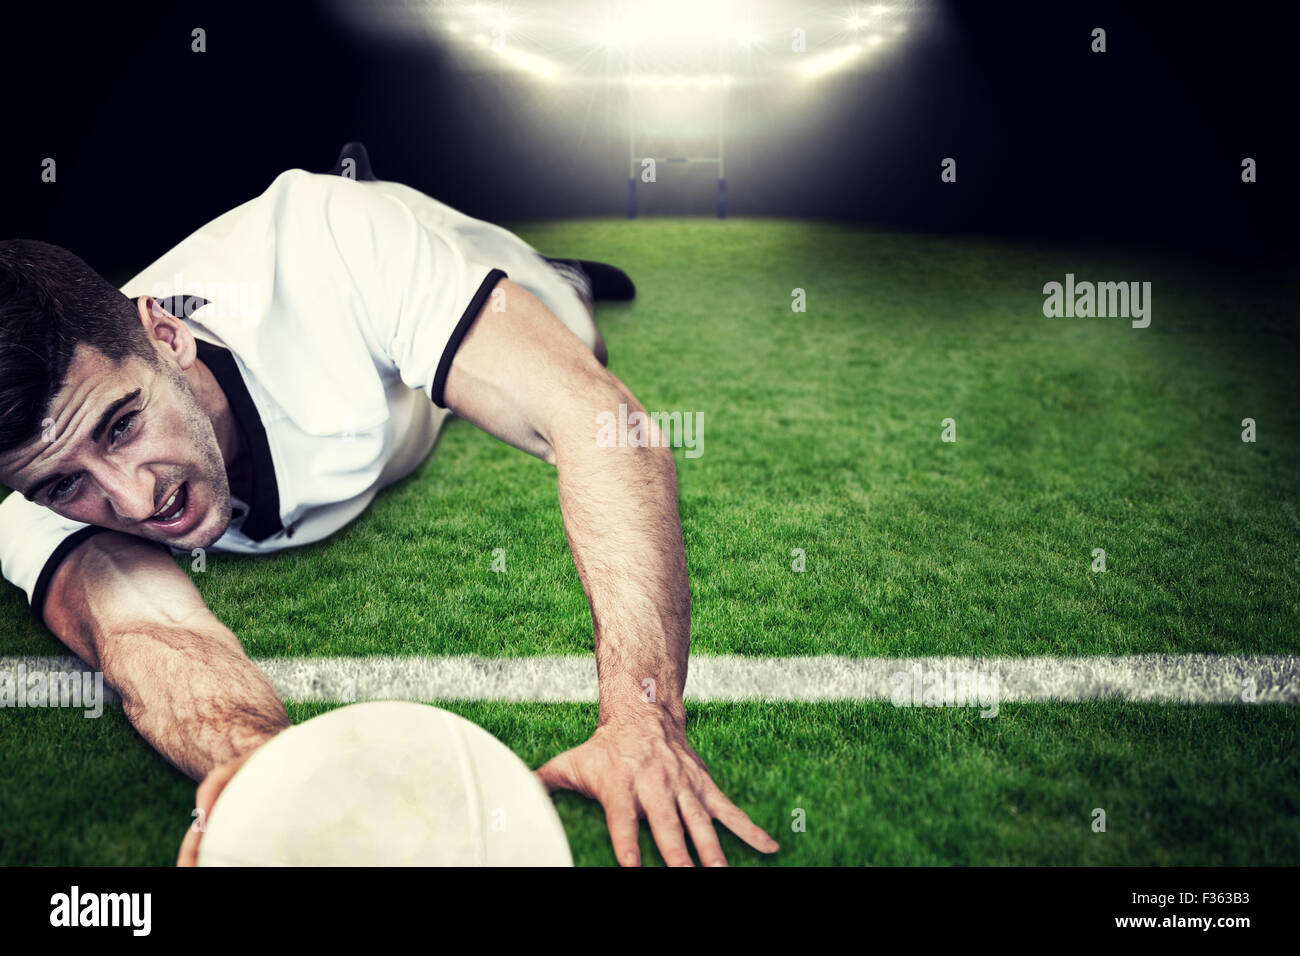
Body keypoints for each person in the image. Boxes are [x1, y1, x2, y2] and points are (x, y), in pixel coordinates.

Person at [0, 145, 778, 867]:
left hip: (410, 262)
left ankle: (557, 274)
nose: (133, 497)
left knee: (577, 334)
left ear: (167, 336)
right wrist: (262, 764)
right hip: (386, 362)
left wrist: (643, 718)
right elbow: (142, 631)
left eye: (124, 424)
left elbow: (602, 426)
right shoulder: (30, 492)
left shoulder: (330, 248)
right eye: (67, 484)